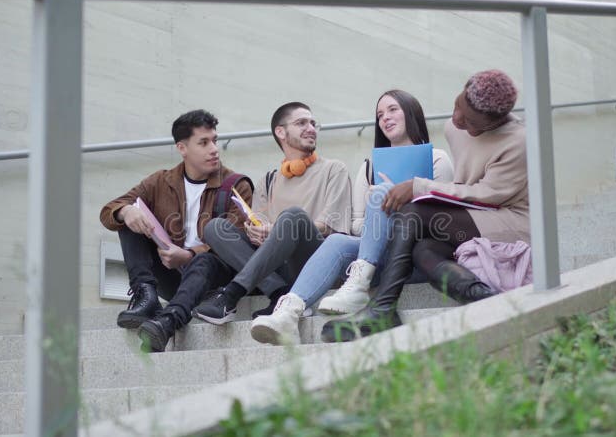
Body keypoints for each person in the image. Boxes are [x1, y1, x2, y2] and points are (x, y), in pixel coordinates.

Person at [321, 69, 531, 342]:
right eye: (457, 106)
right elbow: (466, 183)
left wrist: (419, 186)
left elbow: (487, 196)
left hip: (508, 221)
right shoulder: (454, 127)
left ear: (494, 122)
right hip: (473, 216)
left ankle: (383, 308)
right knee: (423, 249)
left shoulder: (518, 141)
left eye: (468, 120)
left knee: (413, 211)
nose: (456, 119)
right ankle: (485, 299)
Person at [250, 90, 453, 345]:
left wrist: (396, 198)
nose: (385, 118)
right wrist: (375, 210)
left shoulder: (438, 159)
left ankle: (357, 285)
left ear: (410, 112)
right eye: (380, 114)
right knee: (336, 240)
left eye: (393, 110)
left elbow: (442, 222)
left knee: (381, 193)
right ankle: (288, 314)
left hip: (414, 255)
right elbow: (356, 227)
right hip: (378, 253)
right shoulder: (369, 167)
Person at [99, 109, 255, 352]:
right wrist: (126, 212)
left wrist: (190, 255)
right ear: (182, 148)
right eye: (203, 142)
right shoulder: (161, 181)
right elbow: (110, 210)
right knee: (129, 218)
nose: (214, 148)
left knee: (203, 260)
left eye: (214, 140)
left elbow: (237, 239)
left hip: (215, 281)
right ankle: (146, 295)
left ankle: (168, 321)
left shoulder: (235, 185)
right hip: (173, 275)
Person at [193, 102, 352, 325]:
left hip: (317, 262)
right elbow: (262, 224)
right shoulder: (268, 180)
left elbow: (332, 227)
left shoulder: (334, 169)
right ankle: (281, 293)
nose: (311, 128)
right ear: (281, 132)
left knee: (293, 216)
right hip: (279, 268)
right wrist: (255, 231)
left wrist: (277, 228)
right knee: (215, 227)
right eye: (301, 123)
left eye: (313, 123)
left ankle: (230, 296)